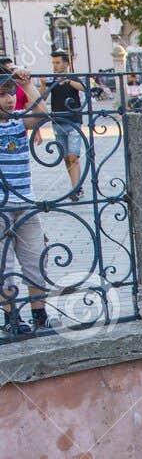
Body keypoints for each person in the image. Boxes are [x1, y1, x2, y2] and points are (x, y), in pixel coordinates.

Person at [0, 69, 52, 338]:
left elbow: (42, 114)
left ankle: (40, 316)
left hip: (25, 201)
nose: (9, 99)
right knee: (3, 265)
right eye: (1, 94)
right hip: (0, 206)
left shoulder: (17, 122)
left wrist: (27, 86)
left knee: (35, 260)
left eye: (10, 93)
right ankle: (12, 317)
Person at [45, 50, 84, 192]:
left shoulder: (73, 77)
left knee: (73, 156)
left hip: (73, 121)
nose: (55, 66)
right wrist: (45, 84)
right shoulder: (51, 79)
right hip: (57, 121)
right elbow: (42, 99)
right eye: (53, 63)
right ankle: (75, 185)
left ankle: (75, 188)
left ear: (66, 63)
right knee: (66, 158)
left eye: (58, 62)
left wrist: (69, 81)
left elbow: (84, 88)